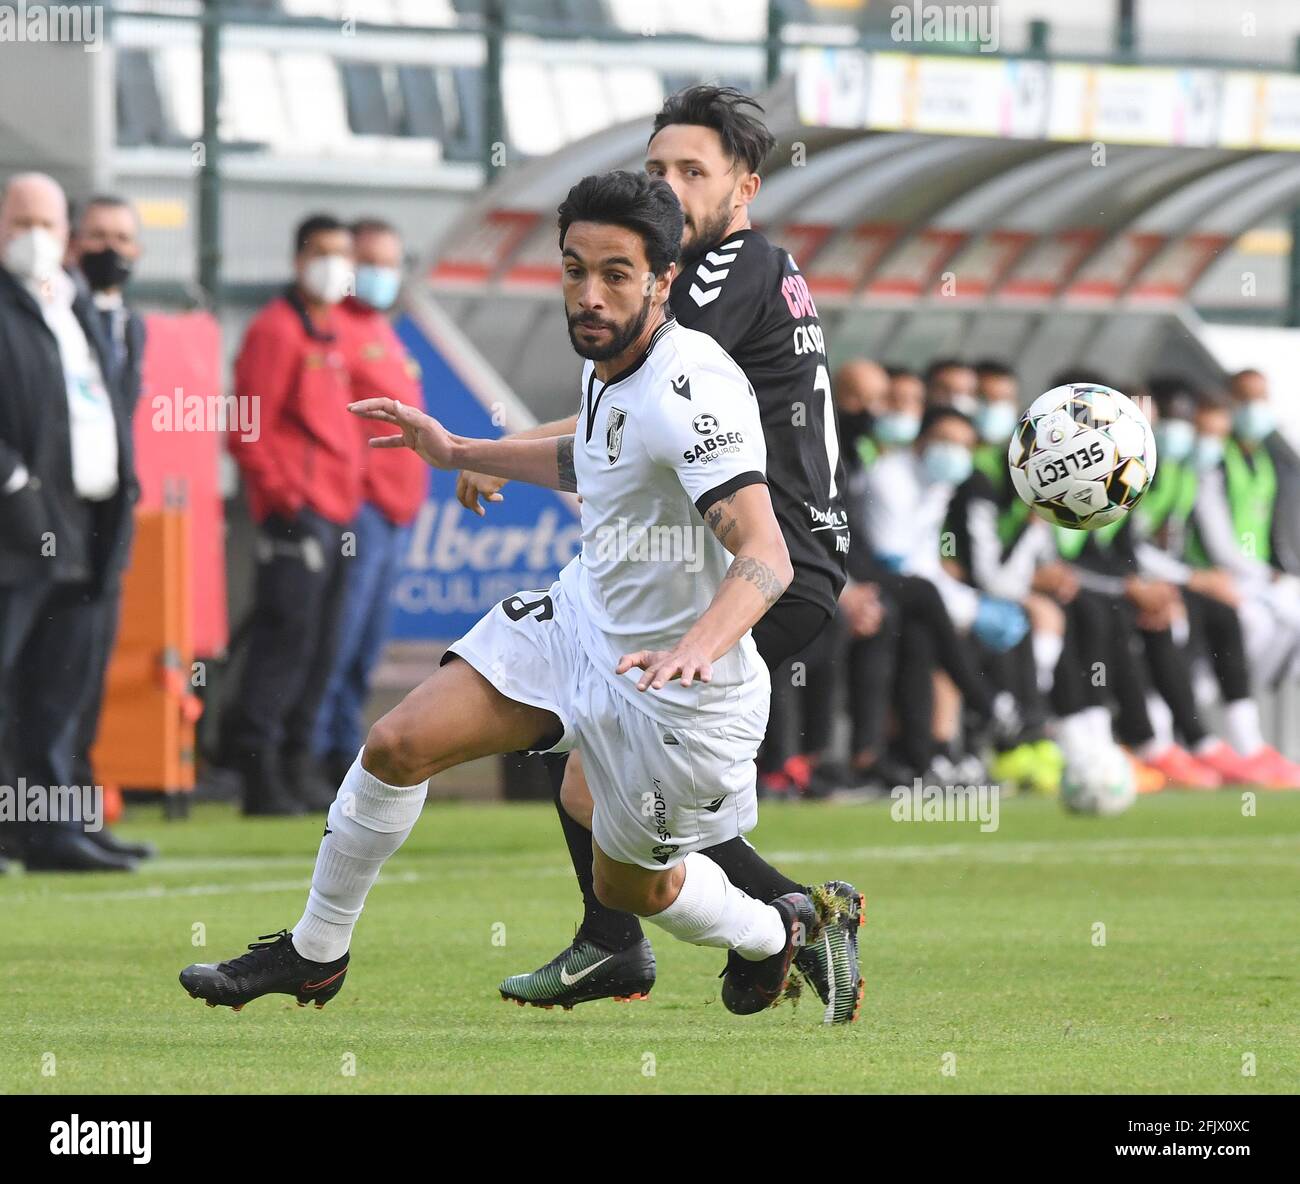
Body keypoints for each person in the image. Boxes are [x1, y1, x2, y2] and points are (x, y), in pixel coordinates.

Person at [180, 171, 848, 1019]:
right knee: (395, 744)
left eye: (615, 273)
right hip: (580, 625)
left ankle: (768, 933)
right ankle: (315, 952)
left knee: (638, 890)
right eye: (574, 269)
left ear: (663, 281)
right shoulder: (612, 362)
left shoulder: (693, 389)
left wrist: (696, 647)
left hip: (679, 691)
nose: (589, 294)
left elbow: (765, 556)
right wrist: (462, 451)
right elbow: (596, 457)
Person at [456, 87, 863, 1023]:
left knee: (632, 784)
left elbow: (633, 411)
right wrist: (484, 452)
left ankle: (777, 919)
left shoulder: (718, 273)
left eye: (693, 173)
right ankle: (639, 936)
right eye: (656, 172)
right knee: (599, 776)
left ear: (745, 189)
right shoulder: (752, 265)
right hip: (749, 558)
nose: (669, 190)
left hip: (754, 567)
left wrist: (493, 454)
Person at [0, 174, 138, 871]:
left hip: (86, 520)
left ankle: (50, 830)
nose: (36, 237)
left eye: (49, 224)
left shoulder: (73, 302)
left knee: (60, 689)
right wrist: (16, 485)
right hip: (14, 528)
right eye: (21, 220)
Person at [220, 214, 363, 816]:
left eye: (343, 254)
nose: (336, 266)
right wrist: (284, 504)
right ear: (299, 257)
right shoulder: (277, 331)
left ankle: (296, 766)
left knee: (320, 648)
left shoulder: (329, 333)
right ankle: (258, 773)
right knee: (283, 646)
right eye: (324, 253)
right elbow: (246, 428)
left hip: (335, 514)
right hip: (296, 517)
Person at [312, 218, 427, 788]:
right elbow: (331, 425)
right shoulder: (335, 327)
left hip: (393, 512)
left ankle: (339, 750)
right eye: (371, 262)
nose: (381, 273)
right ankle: (317, 754)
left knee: (363, 645)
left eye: (390, 262)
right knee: (337, 638)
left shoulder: (383, 327)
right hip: (362, 511)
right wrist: (358, 491)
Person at [64, 194, 155, 862]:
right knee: (43, 680)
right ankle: (43, 822)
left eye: (122, 236)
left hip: (105, 526)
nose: (110, 248)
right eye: (97, 235)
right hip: (51, 528)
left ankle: (73, 813)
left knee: (82, 677)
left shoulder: (131, 324)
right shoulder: (56, 315)